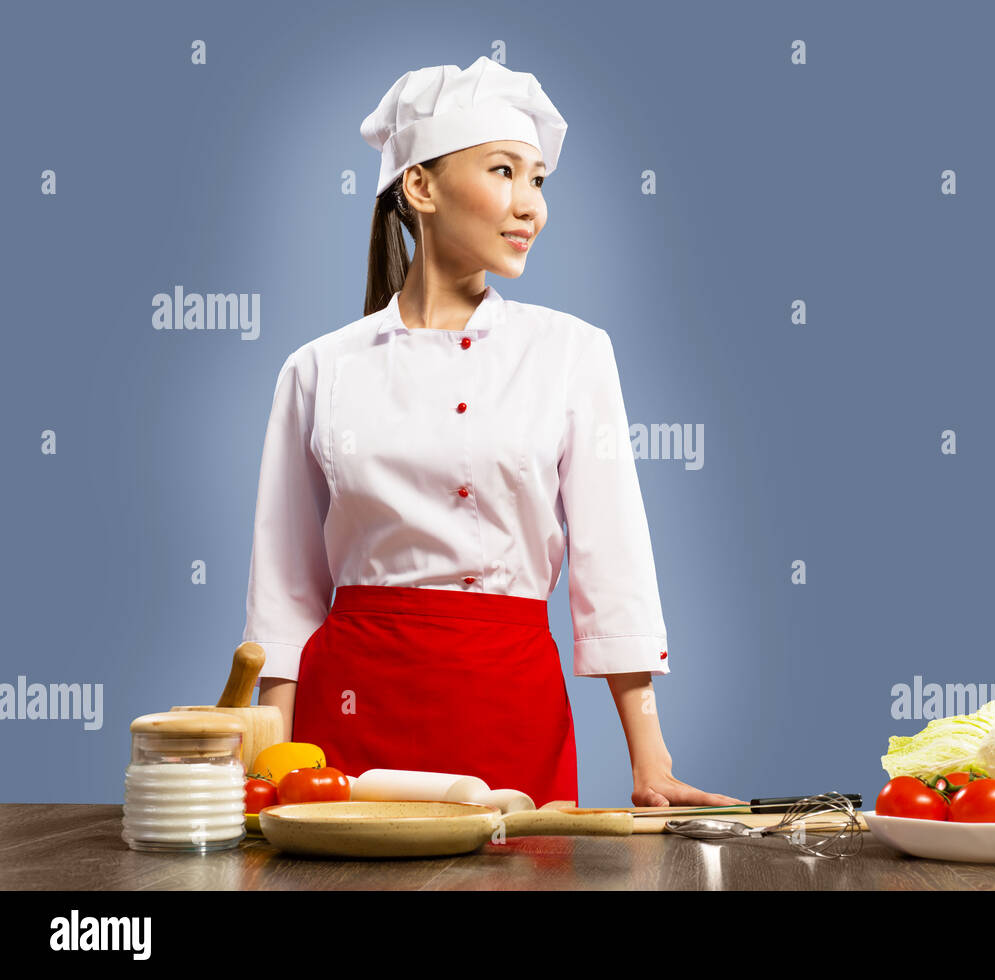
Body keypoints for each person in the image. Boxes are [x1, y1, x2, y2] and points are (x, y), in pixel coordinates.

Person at [242, 57, 741, 809]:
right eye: (504, 171)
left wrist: (650, 760)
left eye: (538, 181)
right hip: (348, 714)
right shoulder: (318, 370)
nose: (530, 206)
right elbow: (283, 599)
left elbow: (614, 564)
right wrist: (273, 769)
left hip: (512, 709)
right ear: (421, 187)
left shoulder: (573, 352)